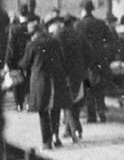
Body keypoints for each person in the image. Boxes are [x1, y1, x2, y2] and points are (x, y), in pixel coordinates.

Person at [20, 16, 70, 150]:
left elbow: (25, 64)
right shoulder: (55, 41)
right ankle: (55, 137)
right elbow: (63, 59)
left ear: (33, 33)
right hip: (57, 79)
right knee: (55, 109)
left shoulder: (32, 44)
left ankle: (46, 142)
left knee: (43, 111)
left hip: (41, 81)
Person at [52, 16, 86, 142]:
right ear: (72, 23)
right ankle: (72, 130)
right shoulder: (79, 35)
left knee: (67, 103)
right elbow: (89, 52)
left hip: (63, 74)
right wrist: (83, 67)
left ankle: (75, 131)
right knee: (75, 101)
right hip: (77, 73)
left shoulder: (57, 35)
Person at [5, 10, 31, 110]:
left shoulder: (14, 28)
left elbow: (11, 46)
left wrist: (9, 61)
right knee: (28, 81)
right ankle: (28, 103)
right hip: (29, 57)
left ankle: (19, 104)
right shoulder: (30, 26)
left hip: (16, 59)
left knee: (16, 81)